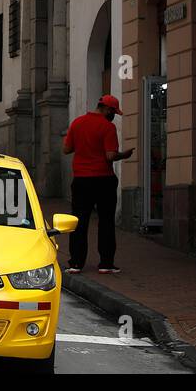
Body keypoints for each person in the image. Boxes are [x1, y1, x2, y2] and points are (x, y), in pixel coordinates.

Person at [64, 95, 134, 274]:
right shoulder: (108, 127)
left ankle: (76, 263)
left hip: (81, 180)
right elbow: (110, 155)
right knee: (106, 221)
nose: (114, 116)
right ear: (108, 109)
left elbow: (66, 149)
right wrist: (124, 155)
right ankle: (106, 263)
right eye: (114, 112)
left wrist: (83, 146)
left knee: (79, 221)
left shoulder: (77, 123)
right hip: (103, 180)